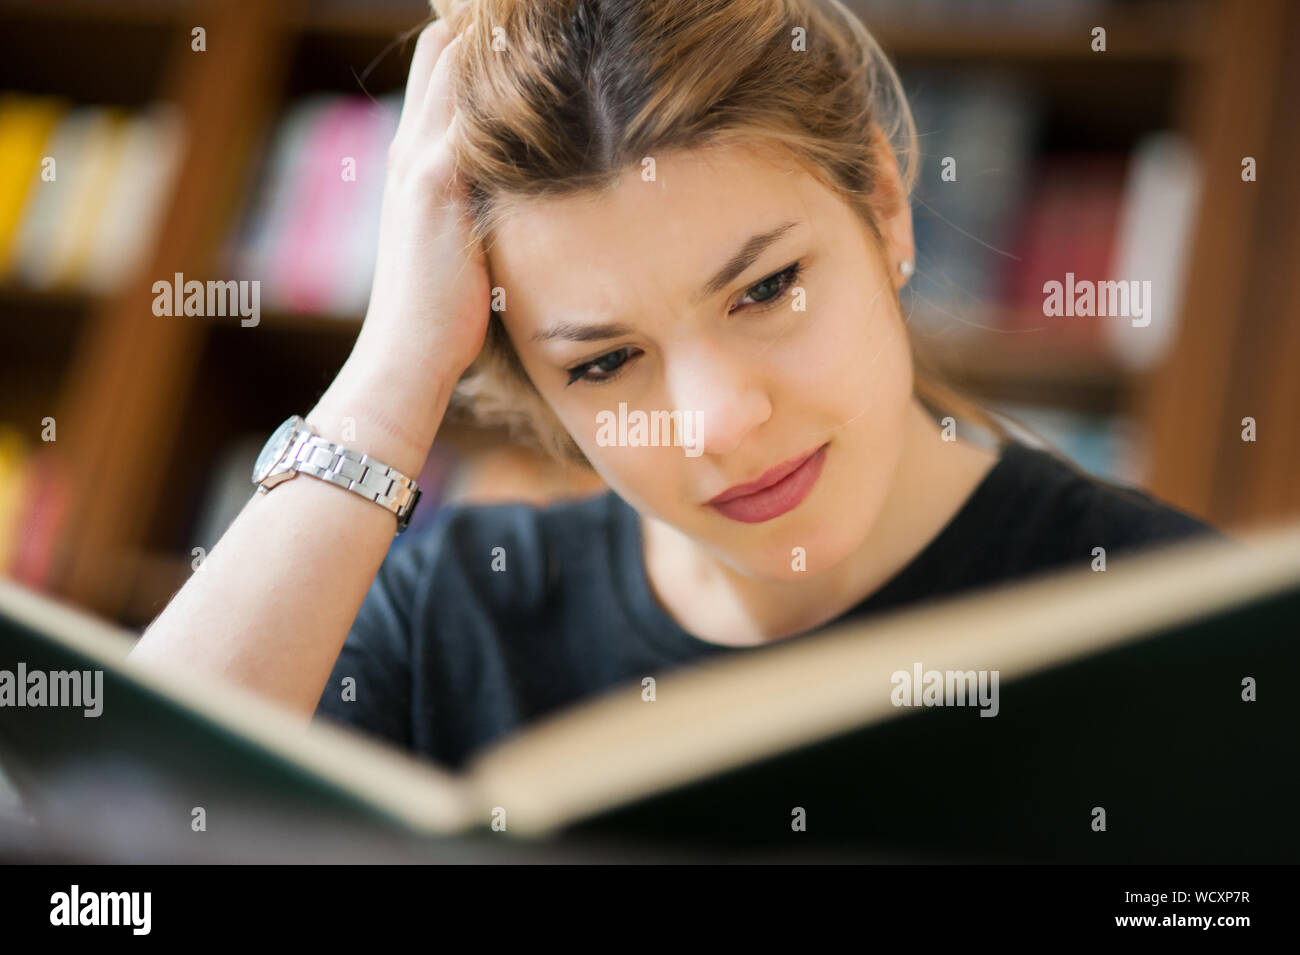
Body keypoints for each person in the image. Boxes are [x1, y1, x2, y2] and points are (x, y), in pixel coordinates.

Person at [131, 0, 1222, 770]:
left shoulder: (1181, 623)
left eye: (766, 287)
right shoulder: (451, 627)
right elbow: (119, 844)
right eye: (602, 362)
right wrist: (389, 373)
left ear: (885, 208)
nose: (719, 423)